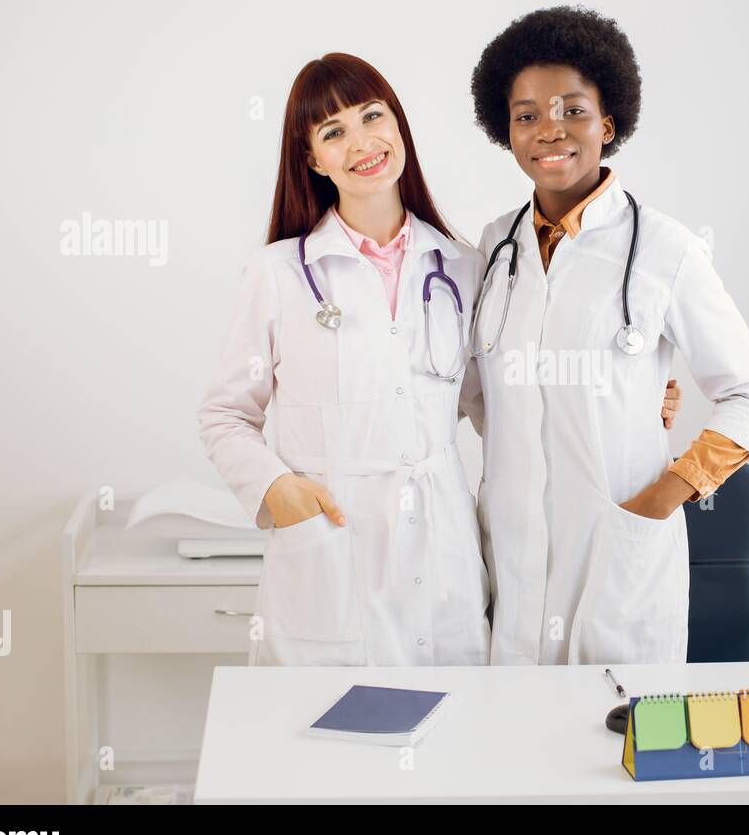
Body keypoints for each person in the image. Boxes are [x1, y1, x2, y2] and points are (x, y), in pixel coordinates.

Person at [196, 53, 683, 667]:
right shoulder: (277, 274)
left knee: (453, 742)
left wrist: (632, 396)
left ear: (399, 127)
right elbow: (224, 414)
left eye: (374, 116)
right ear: (312, 160)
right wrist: (277, 488)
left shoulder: (464, 266)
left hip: (445, 561)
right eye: (333, 132)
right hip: (334, 554)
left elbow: (501, 400)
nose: (362, 142)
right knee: (322, 746)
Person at [466, 7, 749, 665]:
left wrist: (661, 498)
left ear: (607, 125)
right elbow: (479, 390)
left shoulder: (667, 250)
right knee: (508, 750)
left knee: (610, 753)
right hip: (512, 560)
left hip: (622, 558)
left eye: (572, 111)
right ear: (506, 132)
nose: (549, 131)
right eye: (526, 115)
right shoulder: (495, 246)